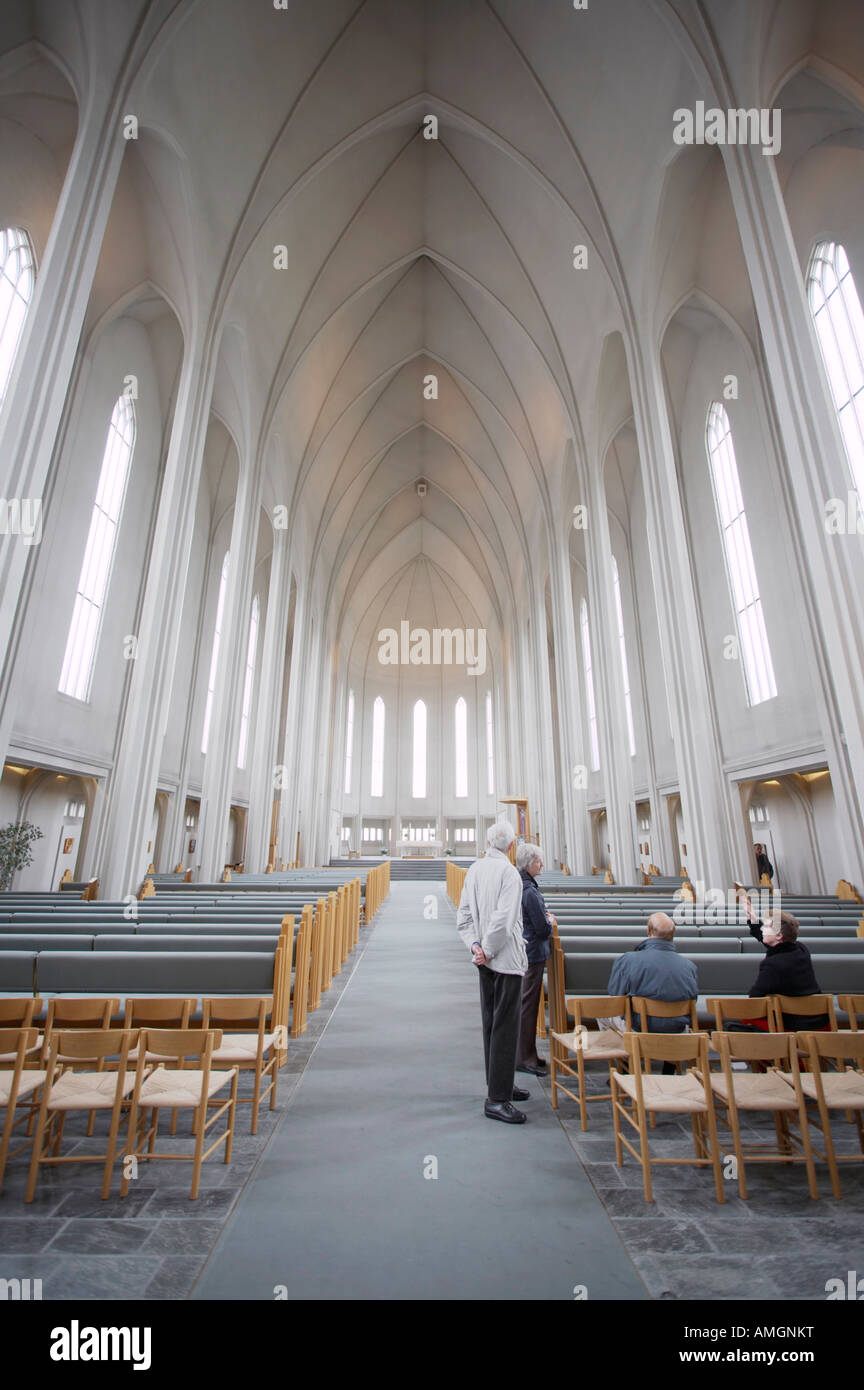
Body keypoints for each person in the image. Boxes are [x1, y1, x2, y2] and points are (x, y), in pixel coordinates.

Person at [456, 822, 529, 1124]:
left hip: (483, 959)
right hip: (504, 958)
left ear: (487, 842)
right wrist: (487, 948)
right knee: (505, 1025)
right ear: (511, 847)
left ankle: (500, 1083)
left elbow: (464, 915)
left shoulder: (474, 869)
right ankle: (497, 1099)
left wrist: (475, 945)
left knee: (492, 1021)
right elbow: (504, 918)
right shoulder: (509, 873)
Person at [607, 913, 698, 1073]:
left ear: (648, 931)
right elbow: (693, 1000)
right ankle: (669, 1068)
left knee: (604, 1015)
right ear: (673, 935)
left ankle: (626, 1068)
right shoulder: (689, 966)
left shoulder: (628, 960)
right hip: (677, 1029)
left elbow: (615, 997)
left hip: (640, 1028)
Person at [743, 898, 828, 1029]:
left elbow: (755, 998)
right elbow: (777, 946)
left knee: (747, 1016)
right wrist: (753, 918)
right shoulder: (801, 949)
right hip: (818, 1020)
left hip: (792, 1025)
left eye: (766, 926)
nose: (762, 929)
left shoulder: (772, 965)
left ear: (779, 935)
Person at [515, 841, 555, 1076]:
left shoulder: (523, 884)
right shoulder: (528, 890)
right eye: (539, 860)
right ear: (530, 863)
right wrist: (549, 922)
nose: (542, 864)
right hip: (532, 954)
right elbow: (541, 928)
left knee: (528, 1005)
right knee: (528, 1007)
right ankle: (524, 1058)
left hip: (528, 952)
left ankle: (528, 1054)